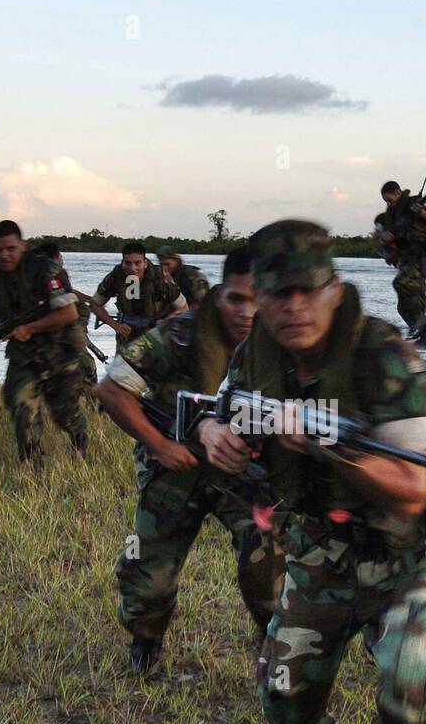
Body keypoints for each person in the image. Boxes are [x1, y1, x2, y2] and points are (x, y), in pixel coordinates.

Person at [198, 219, 426, 724]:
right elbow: (216, 409)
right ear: (261, 296)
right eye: (278, 295)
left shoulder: (387, 356)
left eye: (309, 291)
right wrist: (212, 437)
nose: (294, 308)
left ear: (334, 288)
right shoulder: (258, 353)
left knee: (416, 671)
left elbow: (417, 487)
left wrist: (328, 447)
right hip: (316, 552)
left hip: (405, 553)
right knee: (283, 688)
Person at [93, 247, 285, 674]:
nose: (247, 311)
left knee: (268, 557)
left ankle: (273, 641)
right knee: (149, 573)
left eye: (259, 300)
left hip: (241, 472)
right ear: (219, 294)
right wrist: (160, 447)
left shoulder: (282, 341)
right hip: (175, 465)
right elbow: (111, 392)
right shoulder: (180, 332)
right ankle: (147, 639)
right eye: (237, 298)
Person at [0, 220, 90, 465]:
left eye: (10, 249)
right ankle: (34, 468)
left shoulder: (46, 269)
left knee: (65, 414)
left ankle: (79, 440)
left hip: (61, 351)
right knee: (22, 408)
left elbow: (69, 313)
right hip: (24, 356)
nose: (4, 255)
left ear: (23, 246)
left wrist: (30, 328)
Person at [377, 180, 426, 341]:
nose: (389, 203)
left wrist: (422, 214)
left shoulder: (414, 204)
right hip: (409, 259)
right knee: (403, 306)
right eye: (386, 201)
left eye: (390, 199)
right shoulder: (391, 215)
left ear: (398, 193)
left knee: (407, 288)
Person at [89, 242, 187, 344]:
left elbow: (183, 308)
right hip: (127, 333)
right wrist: (115, 325)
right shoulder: (116, 276)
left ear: (145, 263)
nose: (133, 269)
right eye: (128, 263)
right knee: (123, 359)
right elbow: (95, 304)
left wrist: (165, 323)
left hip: (158, 335)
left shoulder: (161, 277)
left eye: (137, 263)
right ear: (122, 262)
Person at [31, 242, 98, 387]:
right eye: (60, 256)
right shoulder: (49, 274)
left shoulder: (52, 276)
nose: (62, 260)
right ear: (54, 258)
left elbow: (70, 293)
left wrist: (90, 300)